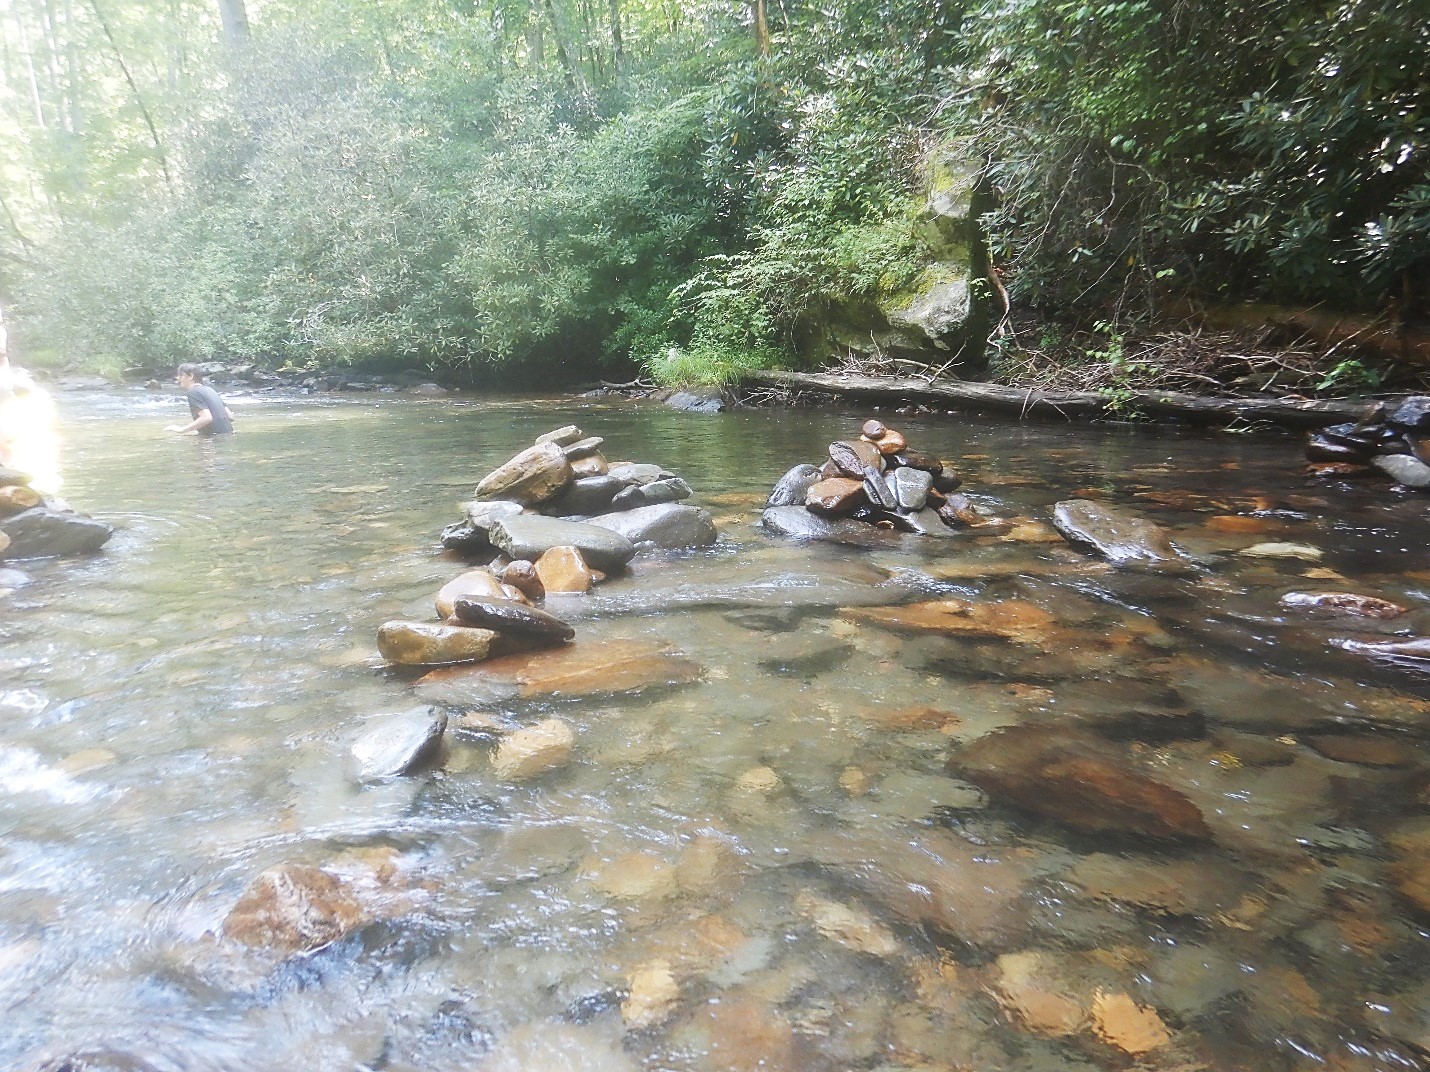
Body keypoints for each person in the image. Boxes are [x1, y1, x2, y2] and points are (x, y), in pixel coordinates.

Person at [167, 363, 234, 435]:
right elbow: (230, 416)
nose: (178, 379)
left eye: (181, 375)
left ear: (190, 376)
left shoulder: (193, 392)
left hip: (214, 440)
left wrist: (181, 429)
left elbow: (206, 418)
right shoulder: (210, 390)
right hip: (228, 435)